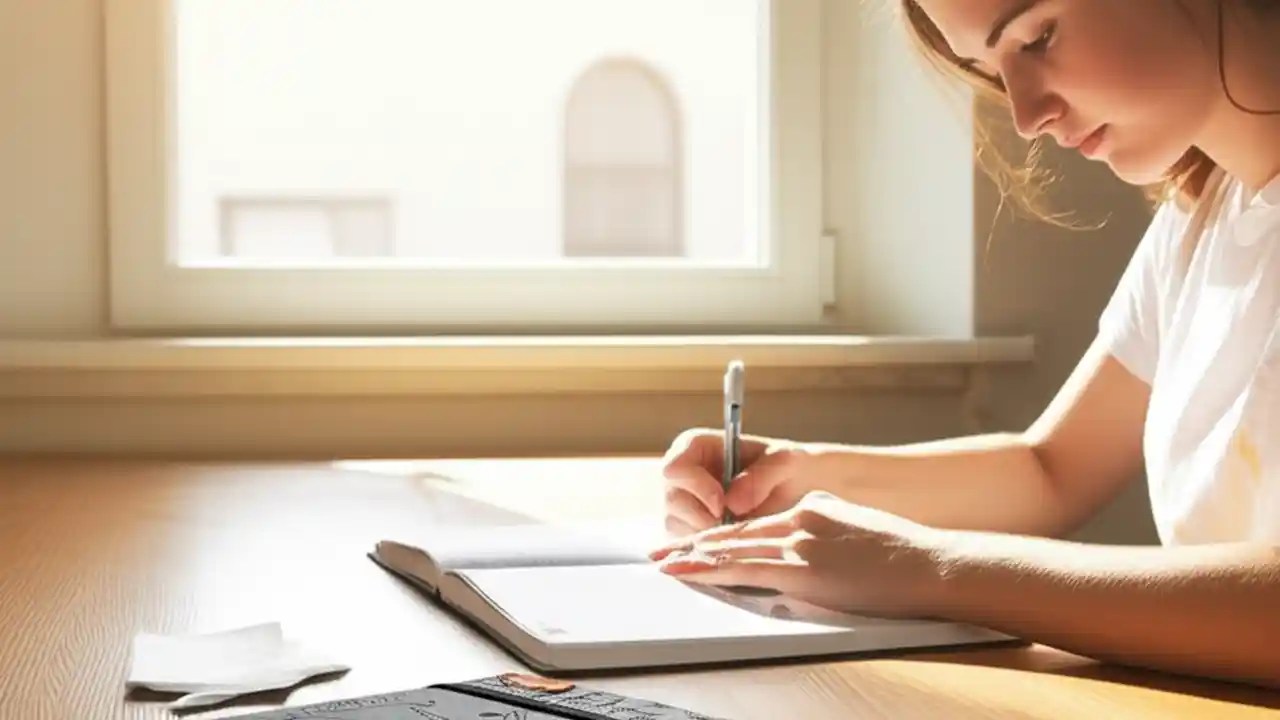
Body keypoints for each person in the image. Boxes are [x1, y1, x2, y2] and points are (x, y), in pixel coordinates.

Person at [650, 0, 1280, 689]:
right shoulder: (1205, 216)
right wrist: (798, 479)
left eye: (1038, 36)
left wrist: (932, 570)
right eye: (991, 70)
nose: (1027, 115)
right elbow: (1051, 469)